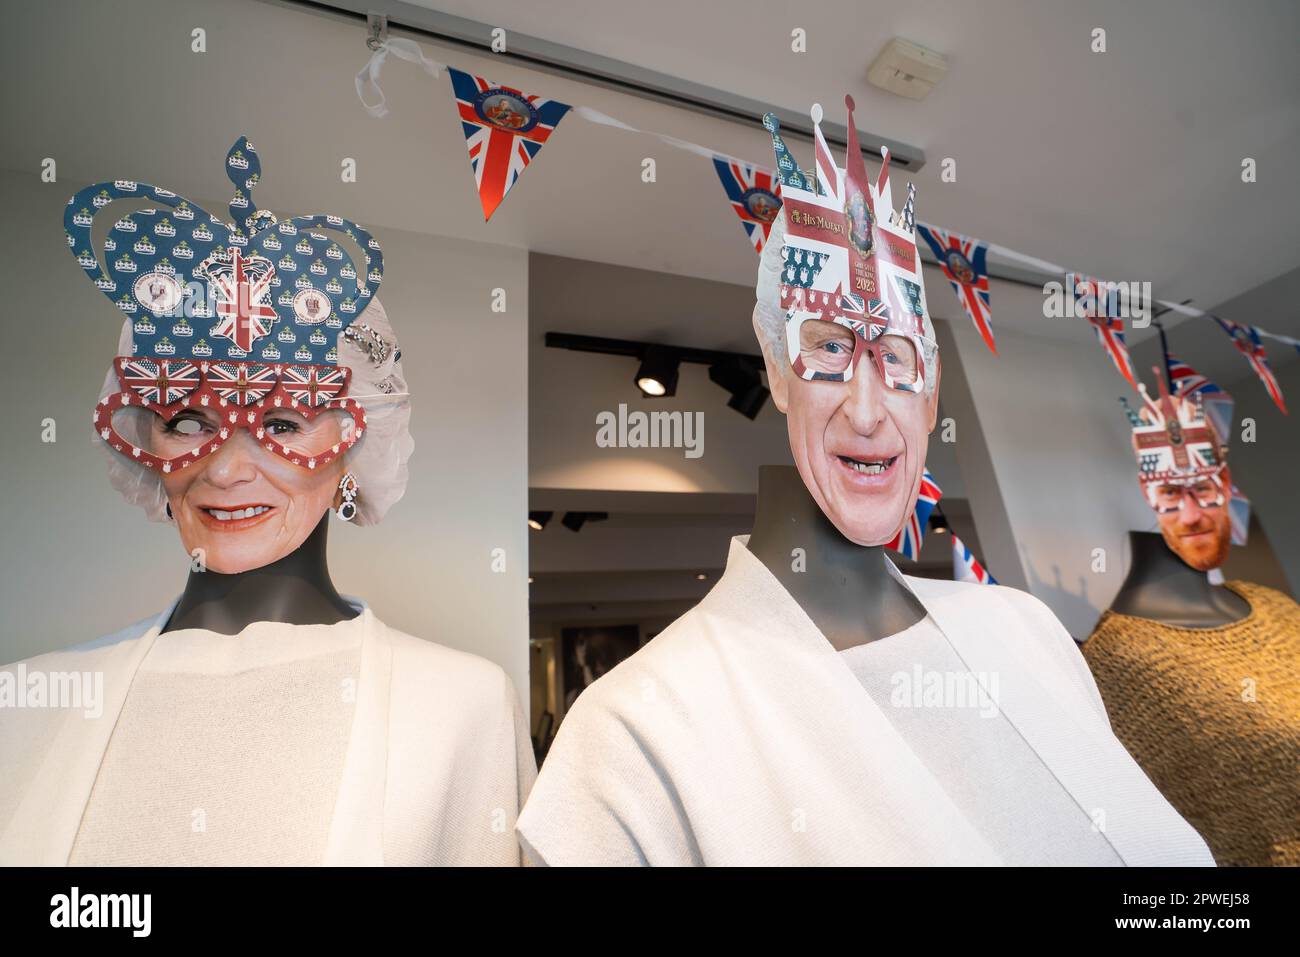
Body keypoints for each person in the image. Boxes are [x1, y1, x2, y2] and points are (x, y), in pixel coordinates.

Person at [515, 98, 1214, 866]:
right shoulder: (630, 736)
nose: (869, 409)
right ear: (776, 368)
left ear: (934, 386)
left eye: (898, 356)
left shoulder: (1029, 633)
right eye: (830, 348)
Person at [0, 138, 534, 866]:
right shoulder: (24, 704)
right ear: (144, 437)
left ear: (355, 438)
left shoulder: (462, 711)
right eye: (188, 420)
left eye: (281, 423)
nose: (224, 469)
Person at [1085, 372, 1299, 866]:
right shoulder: (1123, 659)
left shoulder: (1277, 607)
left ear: (1224, 482)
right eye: (1169, 496)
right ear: (1147, 493)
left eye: (1202, 489)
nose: (1191, 515)